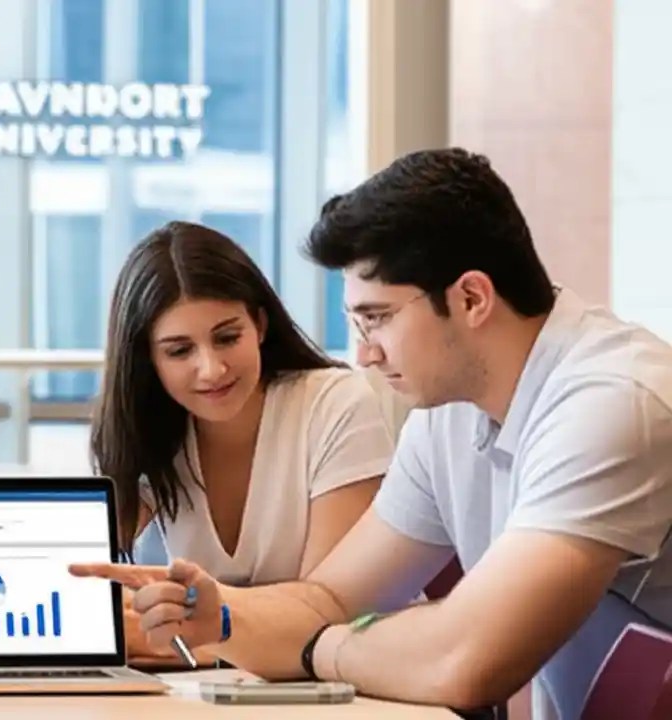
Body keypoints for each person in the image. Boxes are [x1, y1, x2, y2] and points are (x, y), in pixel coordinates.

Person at [72, 148, 672, 720]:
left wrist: (319, 649)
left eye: (377, 318)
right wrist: (218, 613)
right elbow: (328, 599)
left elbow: (467, 660)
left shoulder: (611, 404)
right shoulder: (447, 412)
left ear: (471, 298)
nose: (362, 353)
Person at [91, 221, 395, 660]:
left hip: (350, 682)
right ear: (148, 360)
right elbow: (107, 612)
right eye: (179, 351)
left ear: (260, 325)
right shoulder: (142, 435)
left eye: (228, 337)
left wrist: (182, 639)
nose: (212, 369)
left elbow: (329, 615)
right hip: (214, 689)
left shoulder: (335, 404)